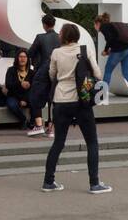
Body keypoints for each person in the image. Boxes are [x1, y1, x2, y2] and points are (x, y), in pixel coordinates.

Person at [44, 23, 112, 194]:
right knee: (92, 142)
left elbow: (51, 74)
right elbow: (97, 74)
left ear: (64, 36)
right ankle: (94, 183)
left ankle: (48, 181)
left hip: (60, 100)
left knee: (58, 142)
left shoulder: (56, 52)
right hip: (81, 101)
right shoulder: (85, 50)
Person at [26, 14, 60, 137]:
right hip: (57, 73)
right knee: (54, 100)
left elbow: (30, 53)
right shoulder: (60, 38)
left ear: (44, 25)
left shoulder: (40, 37)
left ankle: (39, 125)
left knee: (35, 96)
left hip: (43, 72)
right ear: (54, 24)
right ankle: (51, 129)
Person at [95, 12, 128, 99]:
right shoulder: (113, 25)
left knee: (108, 71)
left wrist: (105, 51)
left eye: (94, 25)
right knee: (126, 73)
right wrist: (110, 50)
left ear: (98, 23)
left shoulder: (104, 27)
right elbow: (115, 39)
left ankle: (103, 94)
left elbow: (110, 39)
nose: (94, 27)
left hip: (119, 51)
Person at [3, 50, 35, 130]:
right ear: (17, 58)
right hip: (14, 96)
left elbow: (33, 89)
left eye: (24, 57)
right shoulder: (11, 70)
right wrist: (20, 84)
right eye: (20, 57)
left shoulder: (32, 73)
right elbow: (8, 85)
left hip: (27, 97)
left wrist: (25, 99)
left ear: (27, 59)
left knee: (36, 102)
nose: (22, 59)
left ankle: (32, 122)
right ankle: (23, 120)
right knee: (11, 104)